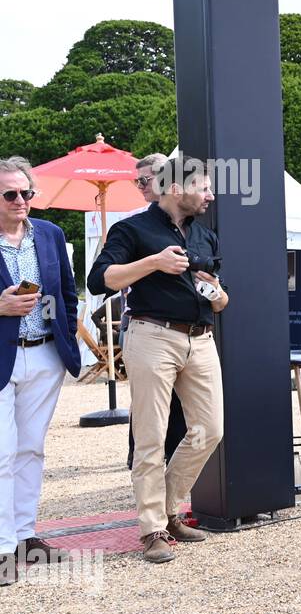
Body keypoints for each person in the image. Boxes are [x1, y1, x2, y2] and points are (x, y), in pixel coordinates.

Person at [87, 155, 228, 564]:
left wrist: (216, 292)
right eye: (203, 187)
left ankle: (167, 508)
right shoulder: (132, 229)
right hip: (151, 336)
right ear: (174, 188)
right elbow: (100, 280)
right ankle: (153, 529)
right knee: (150, 436)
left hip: (200, 339)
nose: (210, 195)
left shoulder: (206, 236)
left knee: (210, 428)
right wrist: (154, 262)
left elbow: (222, 299)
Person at [0, 157, 82, 586]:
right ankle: (2, 547)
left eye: (26, 193)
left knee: (31, 449)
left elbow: (66, 294)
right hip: (2, 358)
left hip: (45, 355)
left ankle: (27, 536)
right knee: (1, 453)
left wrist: (66, 340)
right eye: (10, 194)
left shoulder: (50, 234)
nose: (20, 201)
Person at [126, 154, 187, 471]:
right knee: (147, 406)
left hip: (186, 327)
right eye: (136, 181)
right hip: (147, 322)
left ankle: (175, 470)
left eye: (144, 180)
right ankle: (140, 462)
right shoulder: (133, 222)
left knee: (185, 409)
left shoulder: (188, 221)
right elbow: (110, 276)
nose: (140, 187)